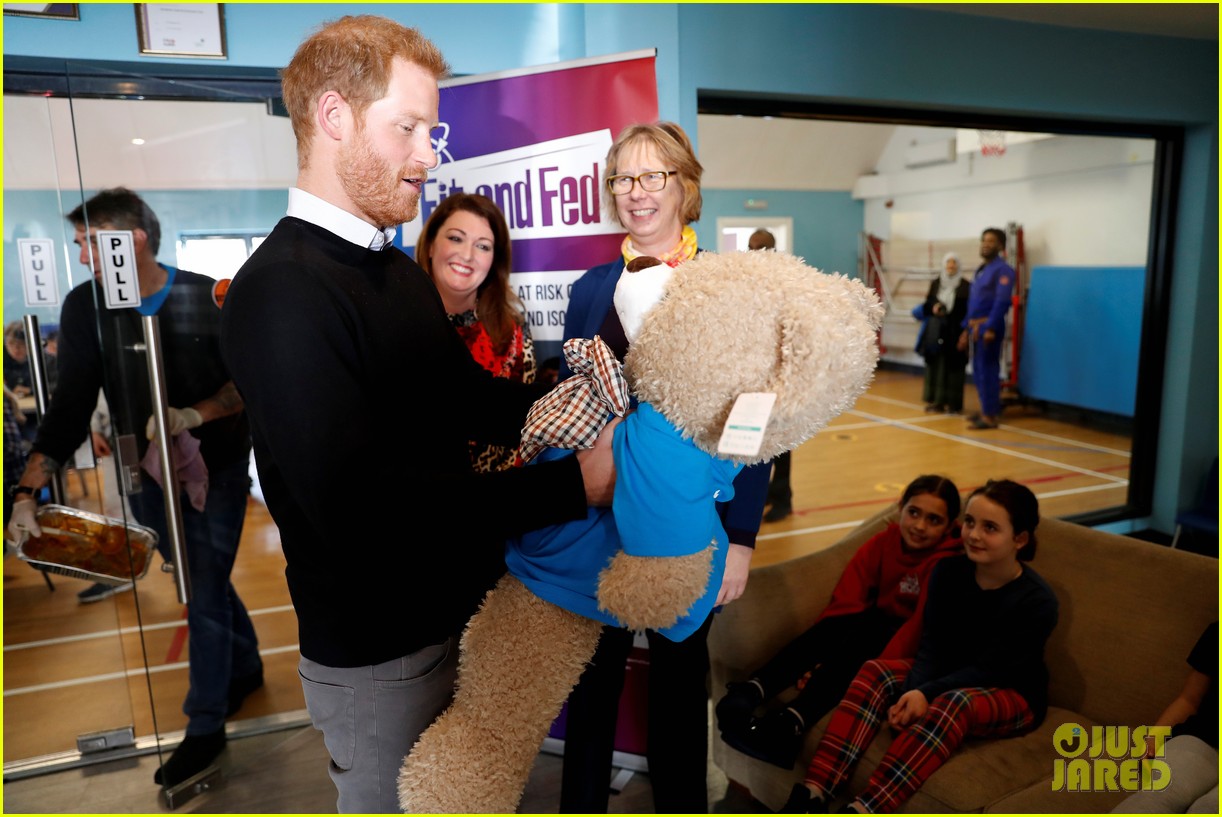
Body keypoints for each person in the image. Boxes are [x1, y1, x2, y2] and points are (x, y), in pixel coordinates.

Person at [217, 16, 616, 814]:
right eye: (407, 128)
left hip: (455, 616)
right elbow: (364, 506)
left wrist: (591, 394)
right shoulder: (283, 292)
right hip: (378, 655)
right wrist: (574, 487)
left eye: (429, 130)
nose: (429, 155)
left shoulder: (392, 271)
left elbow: (466, 401)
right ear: (334, 118)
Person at [5, 187, 261, 787]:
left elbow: (246, 385)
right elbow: (69, 404)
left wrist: (194, 414)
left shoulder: (207, 297)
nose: (83, 255)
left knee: (201, 585)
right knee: (201, 576)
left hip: (216, 469)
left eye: (90, 242)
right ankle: (245, 664)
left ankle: (205, 725)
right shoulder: (84, 307)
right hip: (142, 472)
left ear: (133, 238)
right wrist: (26, 490)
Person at [556, 121, 770, 814]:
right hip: (598, 522)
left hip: (688, 526)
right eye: (624, 178)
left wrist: (740, 535)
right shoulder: (589, 289)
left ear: (686, 186)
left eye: (654, 176)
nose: (637, 192)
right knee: (593, 680)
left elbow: (759, 421)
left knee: (679, 687)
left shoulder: (725, 288)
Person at [782, 478, 1058, 813]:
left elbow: (993, 667)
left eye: (990, 527)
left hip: (1012, 690)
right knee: (875, 671)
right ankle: (814, 792)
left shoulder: (1037, 601)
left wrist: (927, 694)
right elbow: (932, 645)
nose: (973, 534)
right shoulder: (948, 572)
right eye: (970, 522)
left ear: (1020, 539)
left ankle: (867, 807)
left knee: (954, 703)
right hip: (950, 673)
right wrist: (910, 692)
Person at [716, 475, 963, 769]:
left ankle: (792, 723)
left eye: (934, 520)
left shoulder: (946, 566)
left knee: (867, 634)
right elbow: (847, 599)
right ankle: (753, 689)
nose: (920, 526)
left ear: (950, 527)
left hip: (911, 652)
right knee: (844, 625)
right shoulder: (885, 541)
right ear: (900, 508)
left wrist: (866, 667)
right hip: (877, 630)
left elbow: (917, 630)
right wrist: (820, 653)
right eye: (914, 513)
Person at [416, 192, 535, 473]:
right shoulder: (397, 322)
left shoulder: (512, 330)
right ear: (431, 244)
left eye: (483, 246)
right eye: (456, 238)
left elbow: (526, 434)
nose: (467, 255)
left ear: (495, 259)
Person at [1112, 620, 1217, 814]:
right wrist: (1154, 737)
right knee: (1163, 791)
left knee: (1207, 807)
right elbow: (1189, 699)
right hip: (1205, 737)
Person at [747, 228, 793, 523]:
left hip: (778, 374)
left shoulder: (785, 282)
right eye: (751, 246)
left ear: (772, 249)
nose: (754, 251)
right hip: (752, 372)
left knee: (780, 442)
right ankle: (761, 493)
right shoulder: (747, 281)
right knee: (754, 439)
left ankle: (783, 497)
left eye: (760, 247)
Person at [958, 228, 1015, 430]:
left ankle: (990, 415)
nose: (985, 244)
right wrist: (965, 328)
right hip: (975, 327)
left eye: (991, 241)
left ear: (1000, 245)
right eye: (983, 240)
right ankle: (985, 409)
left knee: (989, 370)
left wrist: (990, 327)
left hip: (989, 326)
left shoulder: (1004, 271)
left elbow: (1001, 301)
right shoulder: (982, 269)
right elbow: (974, 303)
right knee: (979, 370)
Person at [913, 252, 971, 414]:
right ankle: (937, 402)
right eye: (948, 263)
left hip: (956, 331)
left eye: (954, 263)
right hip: (937, 331)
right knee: (936, 366)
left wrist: (965, 333)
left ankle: (953, 404)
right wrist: (934, 308)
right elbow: (927, 304)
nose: (951, 266)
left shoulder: (966, 286)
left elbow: (969, 311)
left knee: (954, 367)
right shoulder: (936, 283)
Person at [3, 321, 33, 398]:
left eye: (21, 343)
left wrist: (30, 390)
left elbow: (58, 385)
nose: (16, 349)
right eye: (11, 343)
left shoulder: (44, 361)